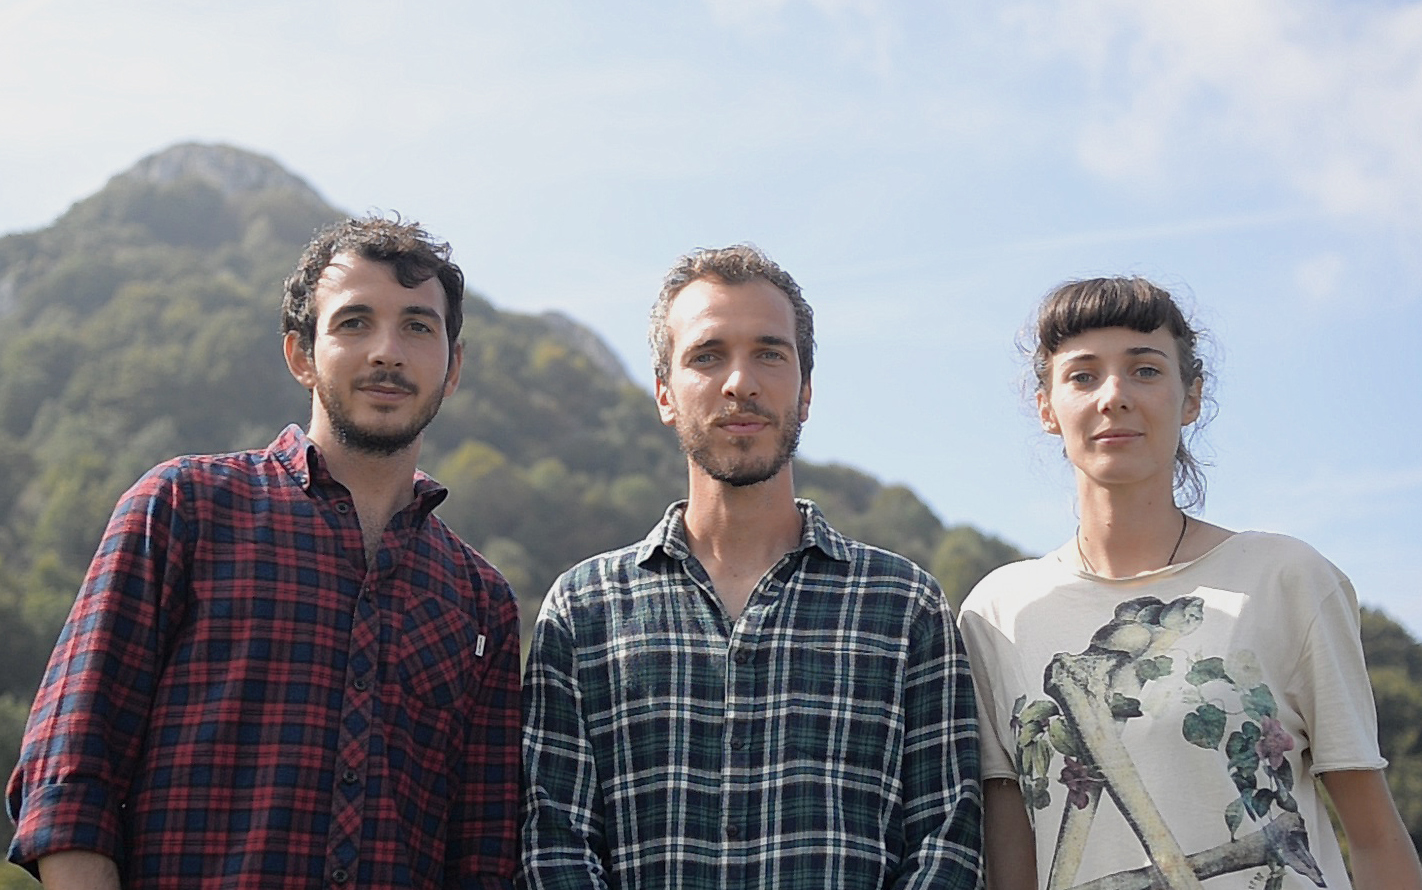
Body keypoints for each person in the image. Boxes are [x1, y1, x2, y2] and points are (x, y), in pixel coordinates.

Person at [7, 215, 521, 889]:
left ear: (452, 368)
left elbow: (482, 858)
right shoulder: (183, 508)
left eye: (418, 327)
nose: (387, 352)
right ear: (301, 355)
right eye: (354, 322)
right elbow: (71, 775)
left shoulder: (481, 603)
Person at [518, 244, 982, 890]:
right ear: (664, 394)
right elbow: (556, 848)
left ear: (807, 389)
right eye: (708, 356)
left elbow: (946, 848)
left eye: (769, 352)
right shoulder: (582, 613)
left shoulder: (906, 610)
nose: (741, 382)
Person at [957, 276, 1422, 890]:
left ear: (1192, 396)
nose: (1114, 396)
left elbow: (1375, 839)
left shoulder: (1285, 580)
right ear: (1047, 407)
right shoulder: (998, 613)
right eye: (1083, 375)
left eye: (1145, 371)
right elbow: (1010, 854)